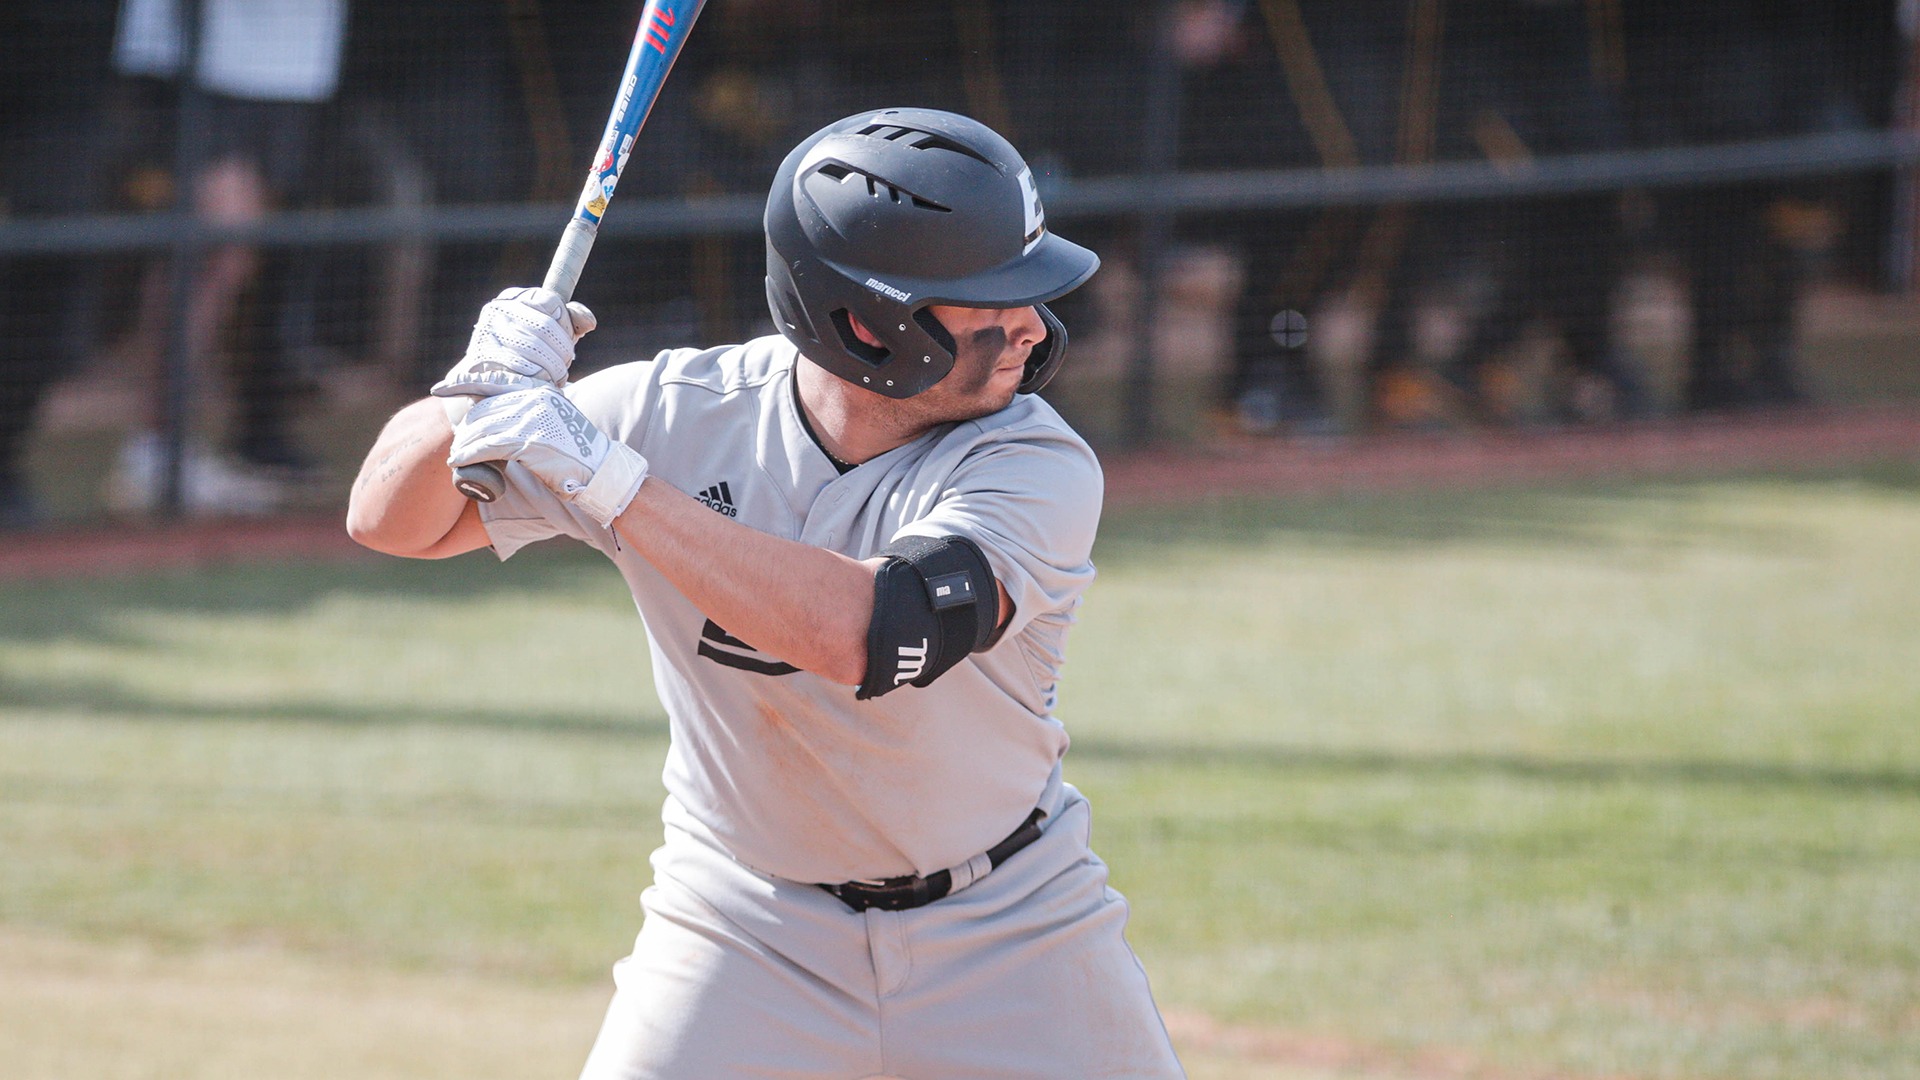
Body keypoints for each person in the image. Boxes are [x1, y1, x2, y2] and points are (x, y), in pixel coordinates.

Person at [346, 109, 1184, 1078]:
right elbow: (388, 520)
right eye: (989, 299)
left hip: (1013, 927)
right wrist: (469, 398)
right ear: (869, 325)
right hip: (742, 927)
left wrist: (612, 485)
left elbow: (870, 631)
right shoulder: (675, 414)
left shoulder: (1034, 462)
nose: (1032, 325)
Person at [102, 0, 349, 513]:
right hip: (187, 59)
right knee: (216, 250)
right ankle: (155, 453)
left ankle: (179, 450)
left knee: (242, 255)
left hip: (295, 67)